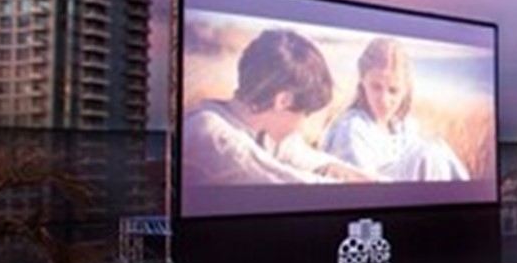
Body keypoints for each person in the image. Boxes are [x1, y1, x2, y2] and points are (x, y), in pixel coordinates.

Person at [180, 28, 376, 186]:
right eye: (304, 114)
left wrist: (372, 182)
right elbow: (294, 184)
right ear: (283, 101)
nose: (301, 127)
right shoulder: (211, 134)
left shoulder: (262, 133)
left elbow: (317, 162)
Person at [322, 37, 469, 181]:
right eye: (376, 87)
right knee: (428, 154)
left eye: (393, 90)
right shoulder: (351, 129)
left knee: (437, 147)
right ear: (362, 80)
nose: (384, 100)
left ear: (405, 89)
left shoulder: (404, 127)